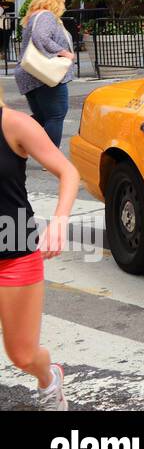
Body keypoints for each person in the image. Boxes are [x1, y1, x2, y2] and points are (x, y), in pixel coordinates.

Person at [0, 94, 81, 410]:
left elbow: (68, 172)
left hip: (15, 255)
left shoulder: (16, 125)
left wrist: (59, 223)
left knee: (22, 355)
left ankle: (49, 379)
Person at [15, 0, 76, 147]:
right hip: (45, 75)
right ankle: (51, 156)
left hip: (30, 74)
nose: (64, 1)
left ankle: (11, 139)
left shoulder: (34, 16)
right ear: (53, 0)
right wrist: (64, 52)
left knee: (42, 116)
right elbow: (41, 37)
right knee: (56, 115)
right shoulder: (46, 16)